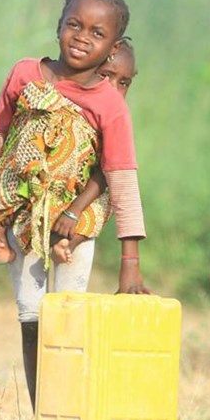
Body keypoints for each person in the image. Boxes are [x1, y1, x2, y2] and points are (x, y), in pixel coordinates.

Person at [0, 0, 150, 411]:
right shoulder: (25, 75)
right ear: (58, 26)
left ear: (113, 48)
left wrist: (131, 265)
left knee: (69, 320)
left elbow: (121, 179)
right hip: (21, 215)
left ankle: (70, 414)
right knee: (30, 318)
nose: (82, 37)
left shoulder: (110, 105)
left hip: (77, 225)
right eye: (74, 24)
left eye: (97, 32)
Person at [49, 38, 137, 265]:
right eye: (106, 76)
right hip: (48, 194)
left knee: (105, 200)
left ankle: (69, 242)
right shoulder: (59, 102)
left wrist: (74, 210)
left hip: (83, 201)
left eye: (124, 83)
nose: (114, 90)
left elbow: (107, 174)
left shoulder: (115, 119)